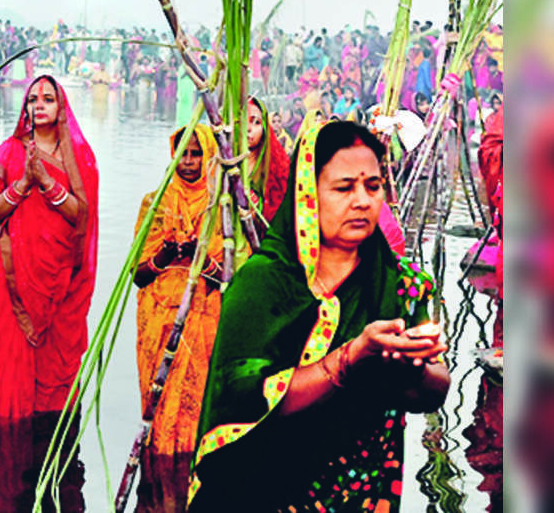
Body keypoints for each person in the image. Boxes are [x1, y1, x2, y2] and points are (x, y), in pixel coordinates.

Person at [188, 120, 450, 512]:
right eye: (344, 188)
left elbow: (433, 391)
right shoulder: (263, 285)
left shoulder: (403, 284)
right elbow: (242, 402)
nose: (362, 201)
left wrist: (412, 367)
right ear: (308, 193)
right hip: (266, 493)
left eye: (373, 186)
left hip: (363, 493)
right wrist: (350, 358)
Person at [0, 75, 98, 511]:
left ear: (61, 106)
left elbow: (82, 216)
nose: (40, 105)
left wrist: (46, 182)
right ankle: (11, 481)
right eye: (33, 98)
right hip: (16, 285)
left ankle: (56, 477)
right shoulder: (8, 152)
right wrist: (22, 184)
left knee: (56, 387)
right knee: (14, 391)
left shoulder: (79, 156)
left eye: (49, 98)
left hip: (62, 286)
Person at [133, 125, 223, 513]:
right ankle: (159, 490)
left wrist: (200, 257)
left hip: (202, 317)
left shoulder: (222, 206)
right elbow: (139, 275)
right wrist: (168, 255)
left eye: (196, 154)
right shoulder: (154, 203)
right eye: (182, 153)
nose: (188, 162)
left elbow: (229, 276)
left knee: (192, 410)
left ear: (209, 156)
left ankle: (186, 479)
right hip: (158, 319)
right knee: (158, 410)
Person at [246, 97, 291, 230]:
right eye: (242, 122)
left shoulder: (277, 165)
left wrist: (257, 208)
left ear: (265, 127)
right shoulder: (219, 164)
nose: (248, 128)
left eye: (256, 122)